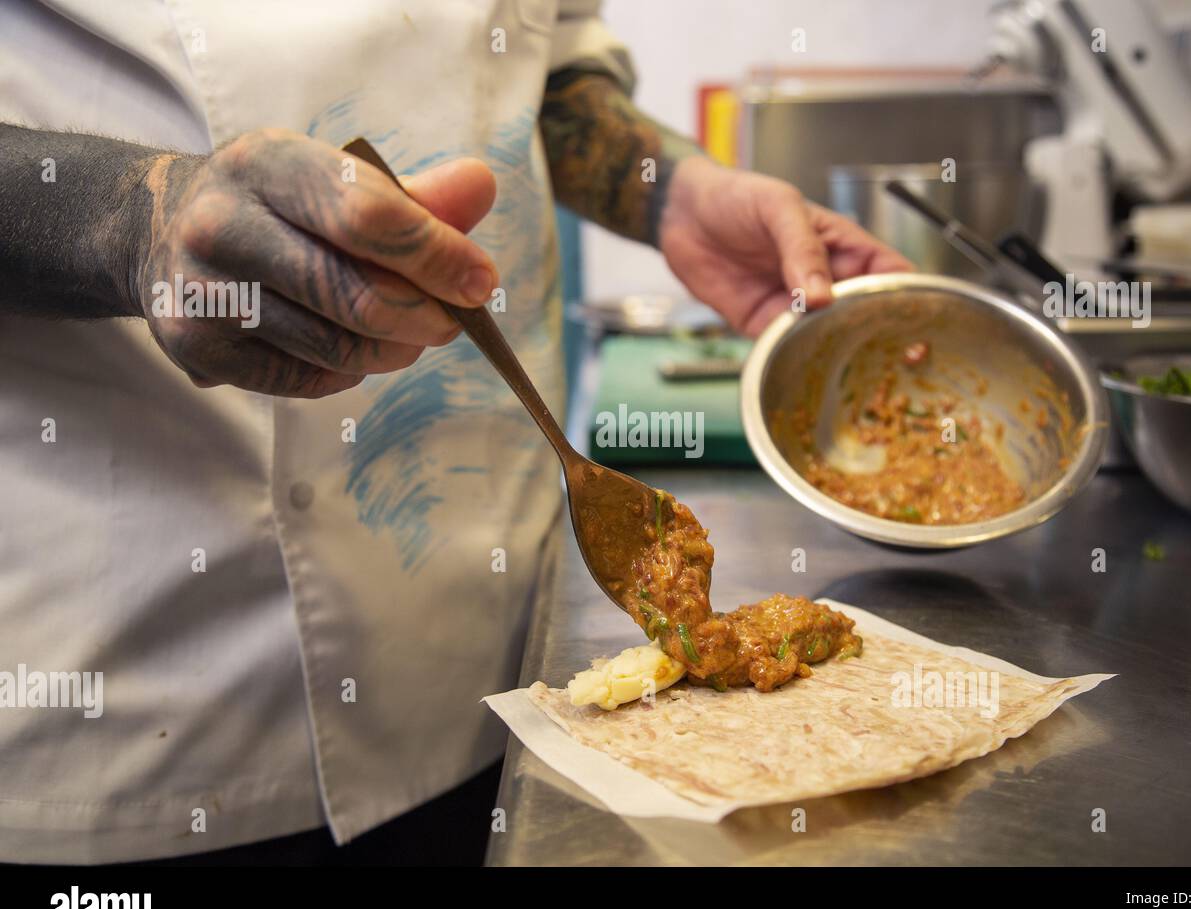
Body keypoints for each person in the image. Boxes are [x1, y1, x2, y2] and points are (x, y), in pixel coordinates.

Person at [0, 0, 909, 864]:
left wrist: (674, 193)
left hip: (494, 667)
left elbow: (539, 67)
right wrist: (133, 221)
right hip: (131, 688)